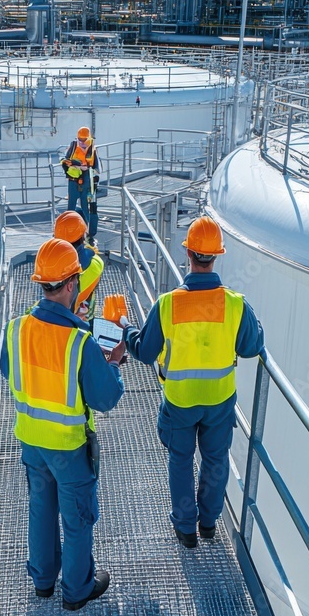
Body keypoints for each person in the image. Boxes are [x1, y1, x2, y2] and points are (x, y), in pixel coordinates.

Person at [116, 217, 264, 548]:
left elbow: (144, 350)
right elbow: (251, 348)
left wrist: (126, 329)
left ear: (188, 255)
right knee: (215, 460)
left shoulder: (168, 304)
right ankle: (209, 524)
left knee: (181, 461)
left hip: (180, 400)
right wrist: (259, 326)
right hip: (219, 399)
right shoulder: (235, 304)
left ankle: (186, 529)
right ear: (216, 256)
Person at [0, 238, 126, 610]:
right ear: (72, 284)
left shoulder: (15, 329)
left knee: (41, 508)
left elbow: (11, 371)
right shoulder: (80, 342)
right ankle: (76, 591)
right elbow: (106, 399)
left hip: (30, 441)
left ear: (41, 283)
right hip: (68, 447)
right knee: (77, 518)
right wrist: (113, 363)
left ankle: (43, 581)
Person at [54, 210, 104, 324]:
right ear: (83, 235)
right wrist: (89, 251)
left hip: (58, 321)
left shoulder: (52, 265)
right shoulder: (96, 263)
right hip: (84, 319)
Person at [61, 127, 100, 242]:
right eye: (80, 139)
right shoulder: (73, 146)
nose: (82, 142)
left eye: (83, 139)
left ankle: (87, 233)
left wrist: (95, 180)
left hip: (87, 178)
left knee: (85, 207)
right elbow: (65, 160)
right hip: (73, 179)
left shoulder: (92, 148)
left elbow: (96, 167)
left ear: (88, 138)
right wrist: (74, 165)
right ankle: (68, 231)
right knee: (71, 207)